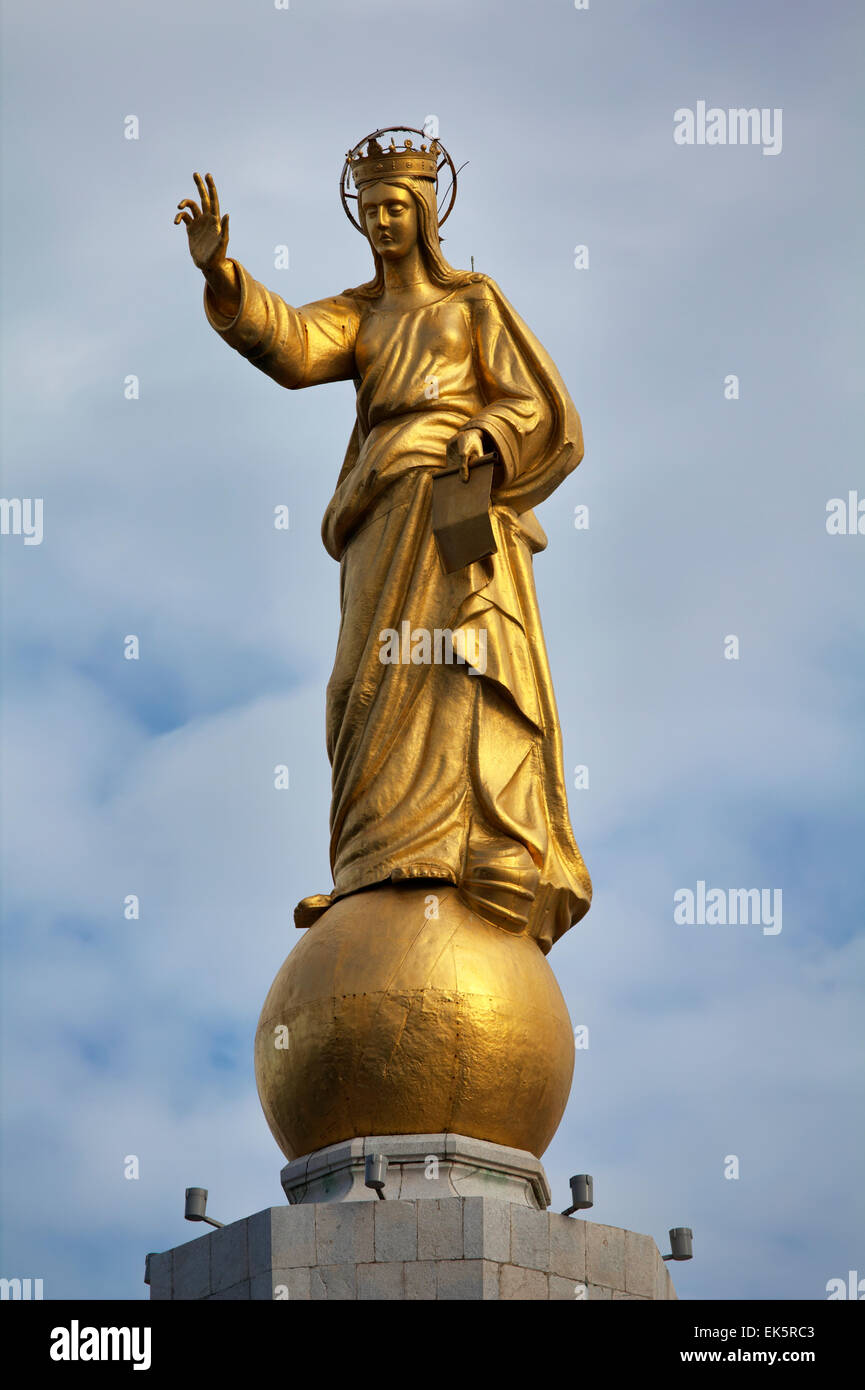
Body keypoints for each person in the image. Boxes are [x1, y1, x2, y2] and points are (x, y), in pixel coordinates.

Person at [175, 137, 591, 954]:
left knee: (452, 670)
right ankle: (372, 858)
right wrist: (221, 273)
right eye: (370, 213)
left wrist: (484, 432)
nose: (382, 224)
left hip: (450, 506)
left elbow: (536, 405)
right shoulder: (360, 314)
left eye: (396, 208)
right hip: (375, 514)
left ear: (425, 213)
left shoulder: (471, 303)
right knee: (356, 688)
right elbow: (292, 347)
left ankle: (473, 843)